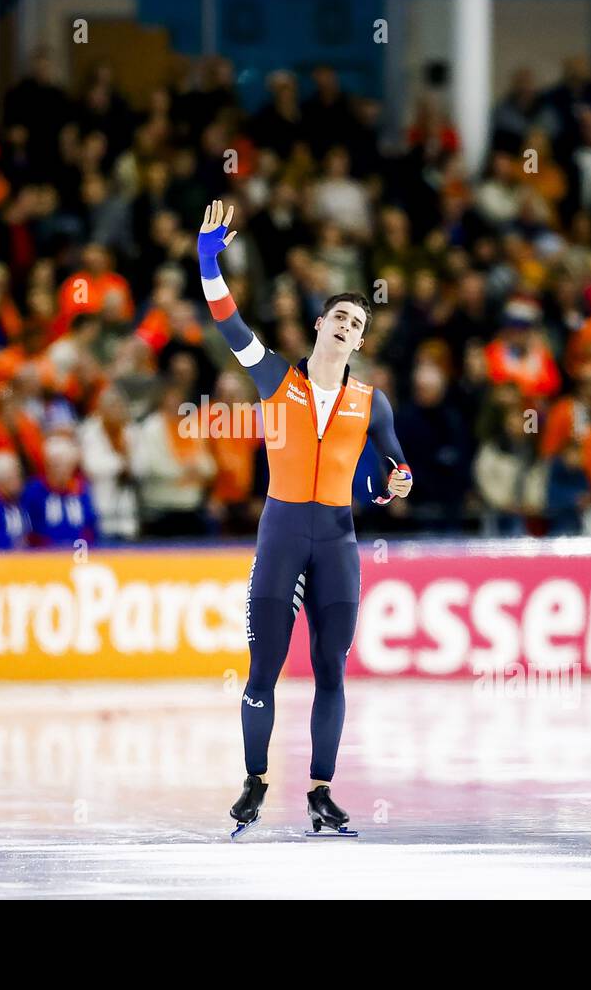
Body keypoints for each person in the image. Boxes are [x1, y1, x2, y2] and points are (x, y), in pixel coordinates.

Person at [197, 201, 412, 838]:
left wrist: (395, 483)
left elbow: (390, 476)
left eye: (358, 322)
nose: (348, 326)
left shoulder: (373, 403)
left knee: (331, 668)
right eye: (340, 316)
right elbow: (227, 320)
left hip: (338, 540)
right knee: (263, 665)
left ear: (361, 341)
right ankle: (255, 782)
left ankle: (320, 791)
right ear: (320, 325)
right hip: (284, 532)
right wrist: (209, 261)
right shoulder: (274, 378)